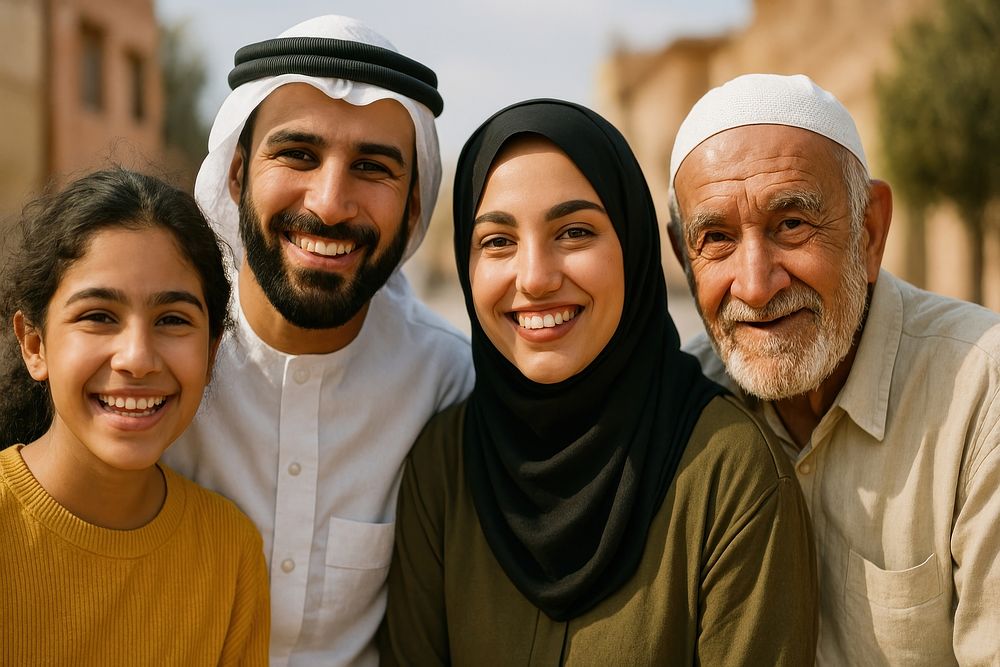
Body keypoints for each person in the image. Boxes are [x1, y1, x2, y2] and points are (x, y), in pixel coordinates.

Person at [381, 99, 818, 665]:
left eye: (575, 232)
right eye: (497, 242)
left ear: (632, 249)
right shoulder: (443, 464)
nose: (535, 278)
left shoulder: (727, 475)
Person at [160, 15, 474, 666]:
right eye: (298, 155)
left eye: (373, 167)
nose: (330, 203)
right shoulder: (156, 358)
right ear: (238, 173)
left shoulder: (448, 382)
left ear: (414, 206)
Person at [667, 73, 1000, 665]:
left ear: (869, 232)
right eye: (716, 238)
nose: (756, 283)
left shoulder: (980, 388)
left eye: (791, 225)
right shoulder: (677, 402)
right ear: (683, 258)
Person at [0, 167, 269, 665]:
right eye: (99, 316)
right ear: (33, 344)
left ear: (211, 356)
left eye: (172, 320)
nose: (138, 358)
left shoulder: (230, 553)